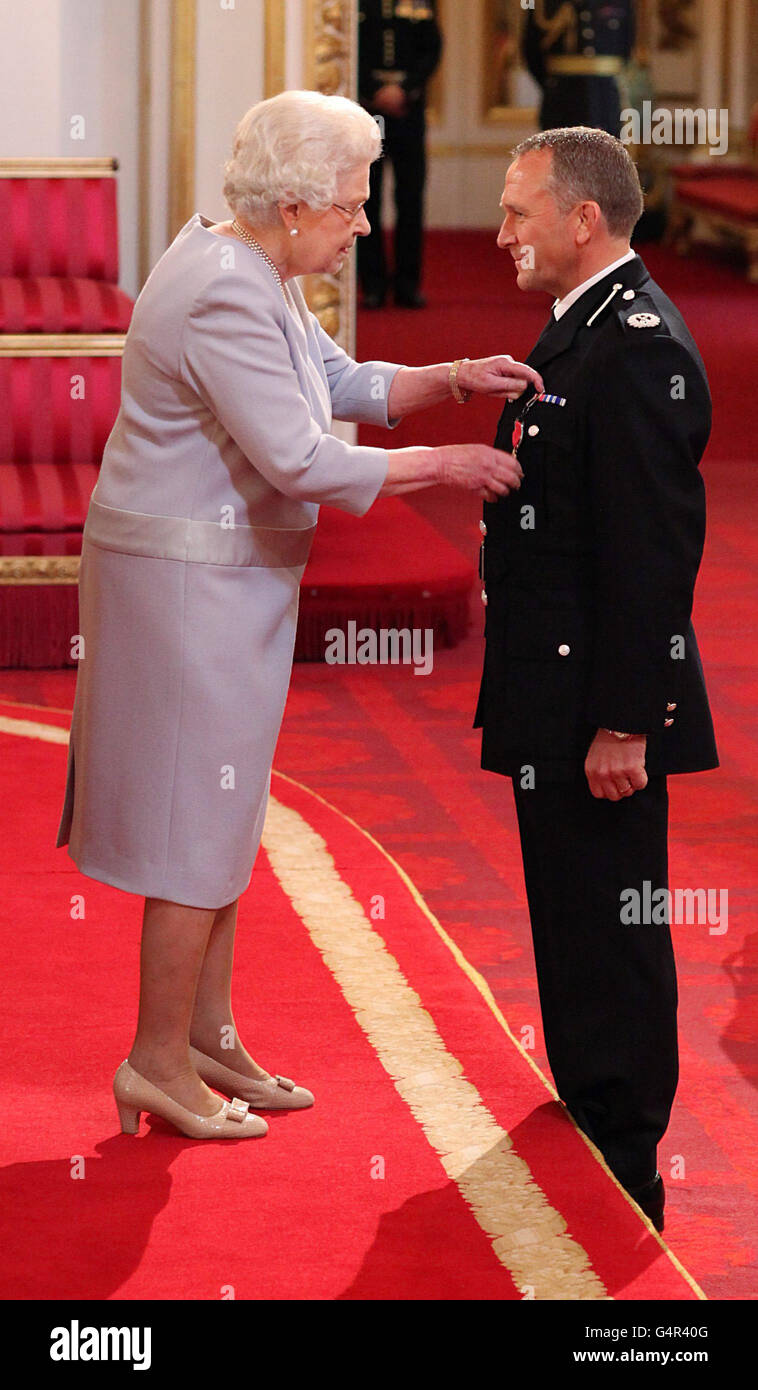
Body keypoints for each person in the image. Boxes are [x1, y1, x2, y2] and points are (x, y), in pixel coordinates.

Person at [56, 89, 541, 1142]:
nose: (363, 223)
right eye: (348, 206)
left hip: (220, 583)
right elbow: (300, 457)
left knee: (218, 817)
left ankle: (205, 1036)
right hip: (184, 590)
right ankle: (154, 1062)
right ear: (286, 206)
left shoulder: (251, 266)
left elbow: (339, 380)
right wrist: (447, 465)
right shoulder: (226, 290)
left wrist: (453, 377)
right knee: (192, 825)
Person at [474, 127, 718, 1230]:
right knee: (569, 912)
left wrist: (627, 720)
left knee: (611, 925)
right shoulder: (582, 324)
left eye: (518, 211)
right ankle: (585, 1108)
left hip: (597, 709)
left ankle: (624, 1162)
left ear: (581, 220)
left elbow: (650, 555)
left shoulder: (636, 346)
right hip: (552, 690)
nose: (500, 232)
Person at [357, 0, 442, 307]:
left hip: (409, 111)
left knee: (410, 197)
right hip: (368, 110)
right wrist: (372, 91)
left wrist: (405, 89)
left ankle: (408, 283)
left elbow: (432, 49)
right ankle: (373, 284)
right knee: (367, 197)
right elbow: (349, 48)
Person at [523, 0, 634, 137]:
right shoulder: (539, 3)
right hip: (560, 100)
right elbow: (532, 52)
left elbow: (626, 47)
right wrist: (551, 86)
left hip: (605, 100)